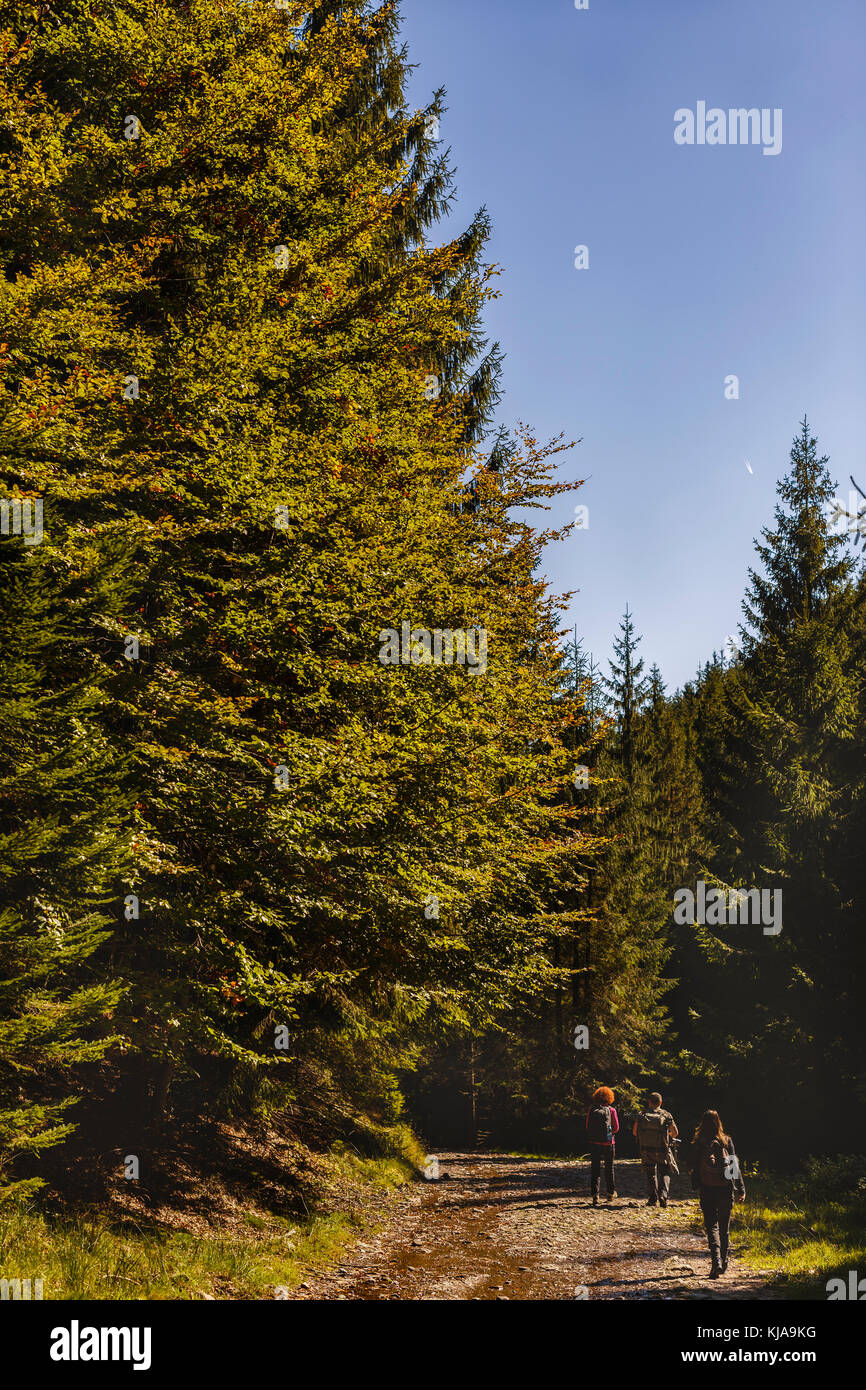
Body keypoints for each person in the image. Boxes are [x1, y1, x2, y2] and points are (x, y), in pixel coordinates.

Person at [689, 1109, 746, 1278]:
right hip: (725, 1188)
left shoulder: (699, 1142)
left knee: (711, 1226)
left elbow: (693, 1166)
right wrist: (741, 1190)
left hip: (707, 1189)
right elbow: (734, 1167)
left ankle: (716, 1263)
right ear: (718, 1122)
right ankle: (724, 1260)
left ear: (702, 1123)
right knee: (724, 1228)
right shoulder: (726, 1140)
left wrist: (696, 1184)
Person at [632, 1091, 678, 1208]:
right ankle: (663, 1195)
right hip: (662, 1149)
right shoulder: (666, 1115)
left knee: (650, 1173)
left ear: (649, 1102)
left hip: (646, 1149)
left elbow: (634, 1132)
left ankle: (652, 1199)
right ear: (660, 1102)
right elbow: (675, 1133)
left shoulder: (642, 1115)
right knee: (665, 1171)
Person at [586, 1085, 619, 1206]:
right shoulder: (612, 1110)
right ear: (609, 1097)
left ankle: (595, 1195)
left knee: (595, 1169)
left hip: (594, 1143)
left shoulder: (591, 1109)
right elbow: (616, 1128)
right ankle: (610, 1193)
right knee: (609, 1169)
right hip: (608, 1143)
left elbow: (587, 1126)